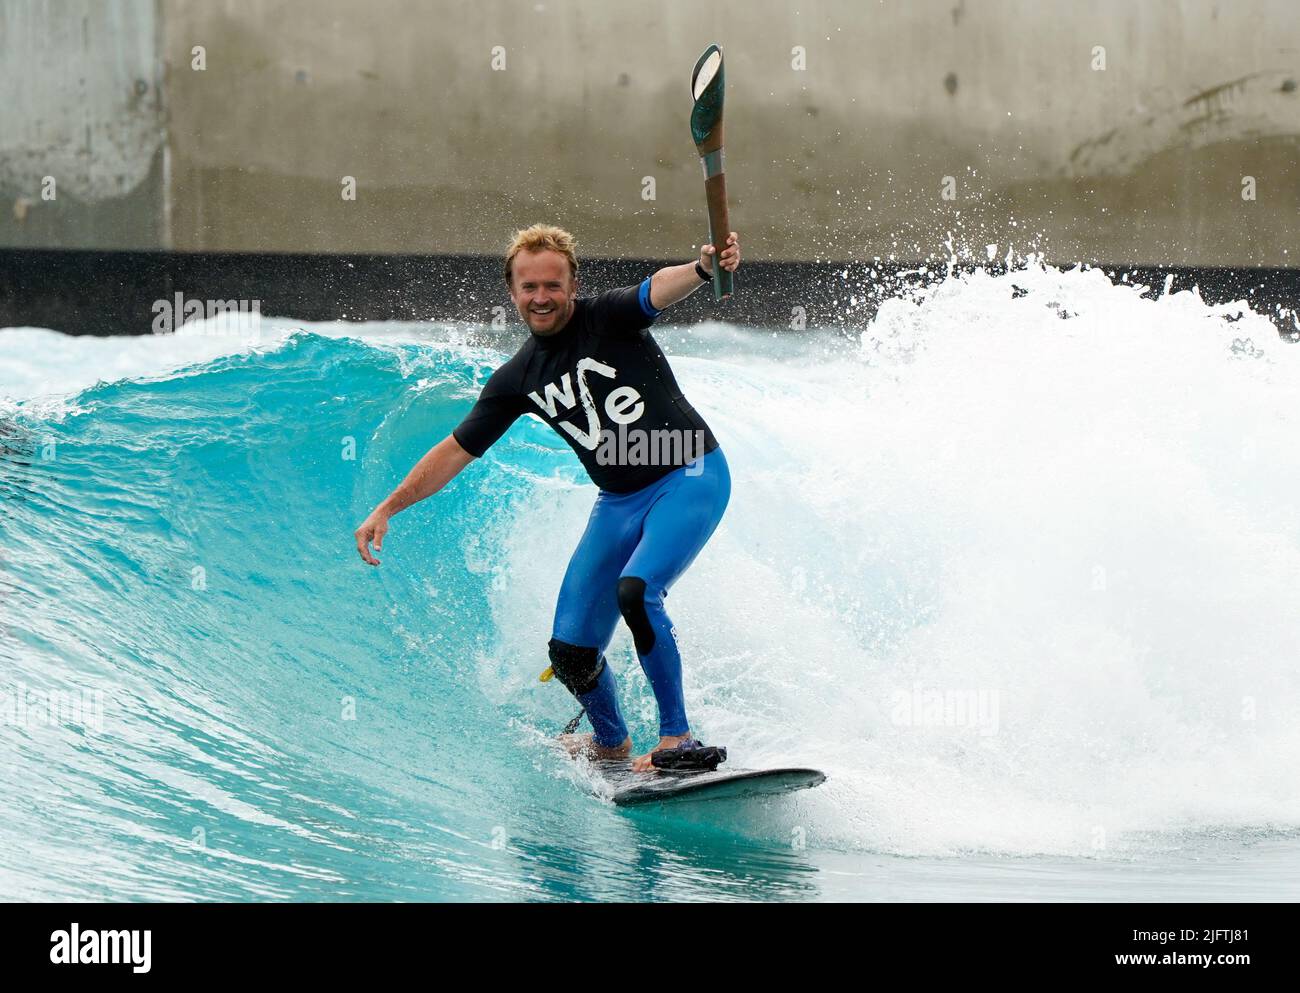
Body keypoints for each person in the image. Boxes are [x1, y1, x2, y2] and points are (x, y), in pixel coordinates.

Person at [355, 224, 741, 772]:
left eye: (552, 285)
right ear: (512, 293)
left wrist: (704, 268)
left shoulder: (607, 317)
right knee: (570, 653)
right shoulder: (518, 378)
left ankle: (676, 739)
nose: (541, 297)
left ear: (572, 284)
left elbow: (655, 289)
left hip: (690, 474)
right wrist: (387, 507)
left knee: (636, 590)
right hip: (620, 501)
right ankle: (612, 744)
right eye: (528, 287)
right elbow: (456, 450)